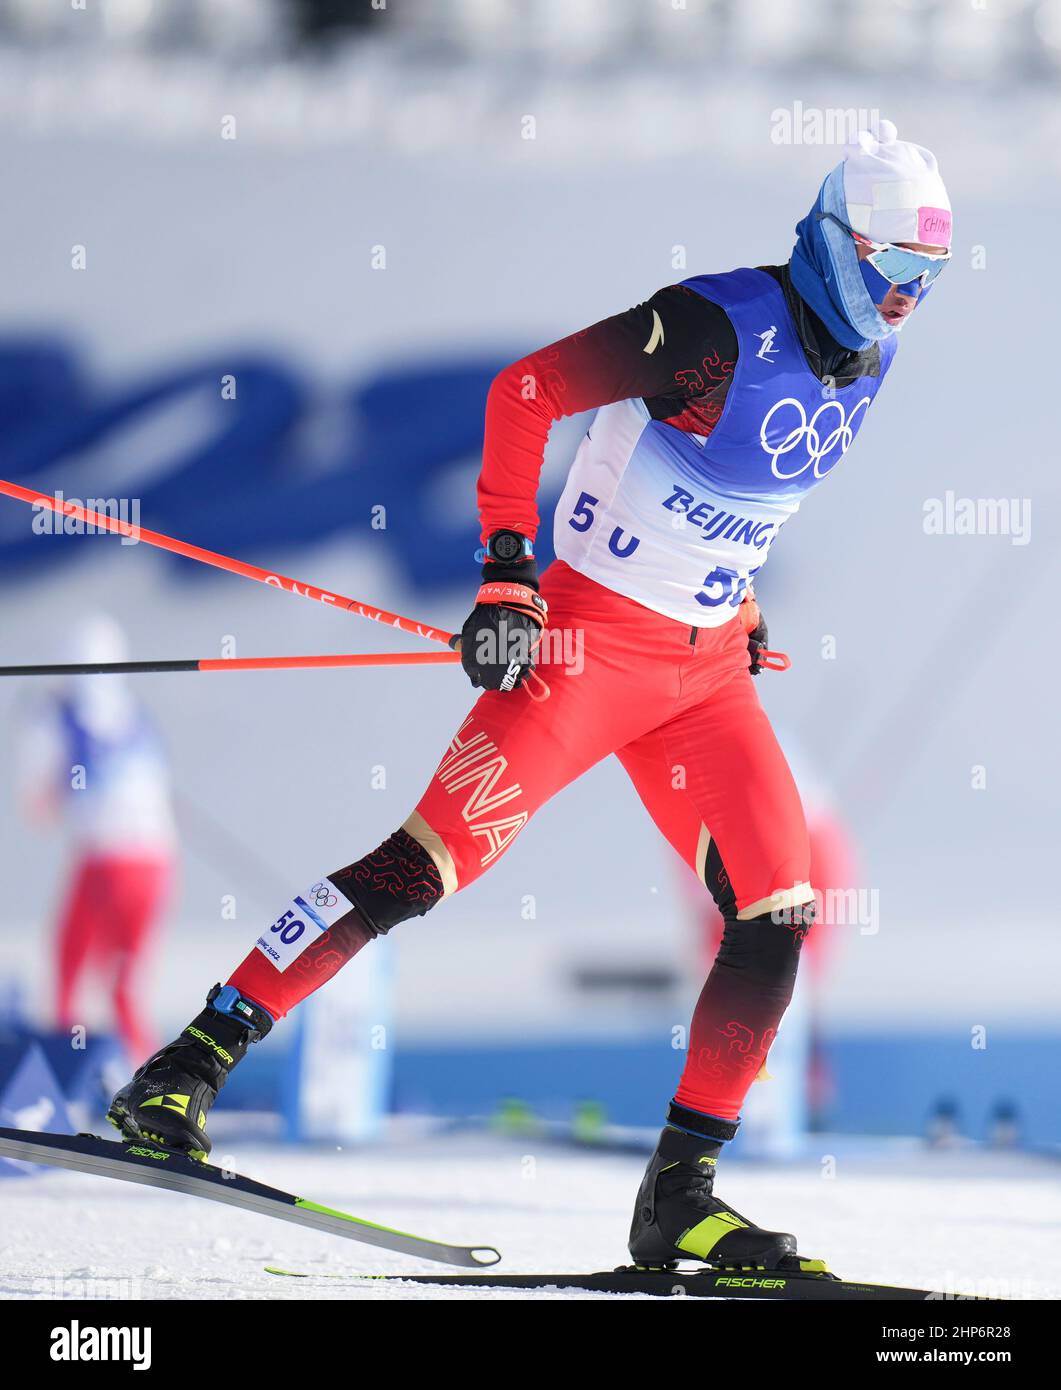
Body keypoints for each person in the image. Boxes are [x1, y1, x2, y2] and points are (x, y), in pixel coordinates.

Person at [108, 120, 951, 1270]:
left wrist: (738, 607)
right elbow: (527, 390)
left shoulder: (875, 358)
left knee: (775, 912)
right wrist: (507, 573)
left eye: (926, 279)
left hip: (702, 677)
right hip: (584, 651)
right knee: (417, 869)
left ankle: (679, 1198)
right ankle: (184, 1069)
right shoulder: (708, 329)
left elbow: (742, 506)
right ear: (835, 245)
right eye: (892, 269)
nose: (904, 301)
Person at [16, 613, 177, 1061]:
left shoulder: (55, 717)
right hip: (156, 861)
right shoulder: (133, 712)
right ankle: (148, 1080)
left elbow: (38, 808)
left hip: (107, 863)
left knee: (71, 969)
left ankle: (61, 1074)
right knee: (126, 986)